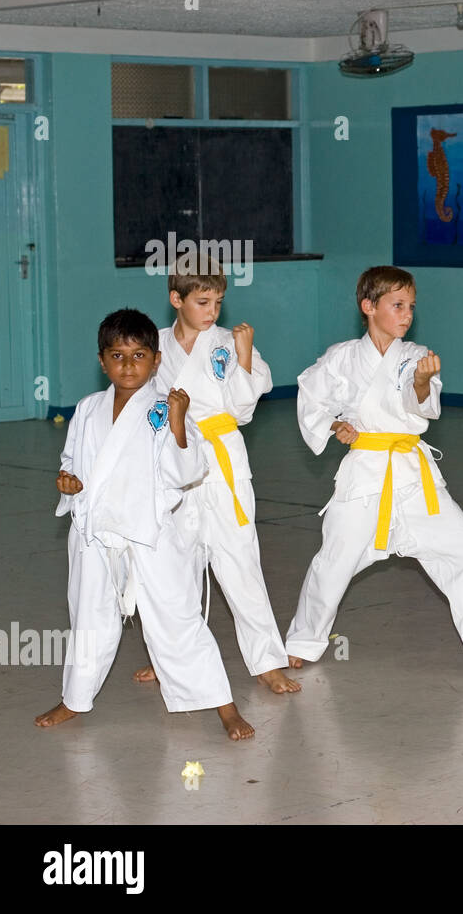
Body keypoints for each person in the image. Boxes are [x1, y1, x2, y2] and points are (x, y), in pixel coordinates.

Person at [284, 266, 463, 678]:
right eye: (397, 305)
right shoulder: (341, 358)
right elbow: (311, 398)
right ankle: (302, 641)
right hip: (365, 475)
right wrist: (337, 425)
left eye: (411, 307)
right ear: (368, 307)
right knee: (333, 562)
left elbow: (416, 398)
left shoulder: (415, 357)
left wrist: (423, 382)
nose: (407, 315)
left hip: (413, 475)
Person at [36, 309, 253, 740]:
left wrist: (177, 423)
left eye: (139, 355)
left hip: (150, 533)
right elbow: (71, 462)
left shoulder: (166, 407)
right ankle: (74, 699)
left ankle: (223, 705)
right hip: (95, 534)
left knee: (178, 616)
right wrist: (69, 483)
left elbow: (187, 472)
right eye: (117, 355)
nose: (128, 365)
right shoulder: (87, 409)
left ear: (155, 360)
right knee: (88, 618)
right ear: (102, 361)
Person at [131, 256, 299, 695]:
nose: (212, 311)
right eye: (202, 301)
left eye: (218, 301)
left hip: (223, 458)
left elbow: (243, 411)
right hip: (176, 457)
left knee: (239, 558)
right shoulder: (157, 346)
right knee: (175, 563)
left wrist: (243, 357)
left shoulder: (227, 343)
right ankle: (169, 656)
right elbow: (144, 406)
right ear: (176, 298)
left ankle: (266, 660)